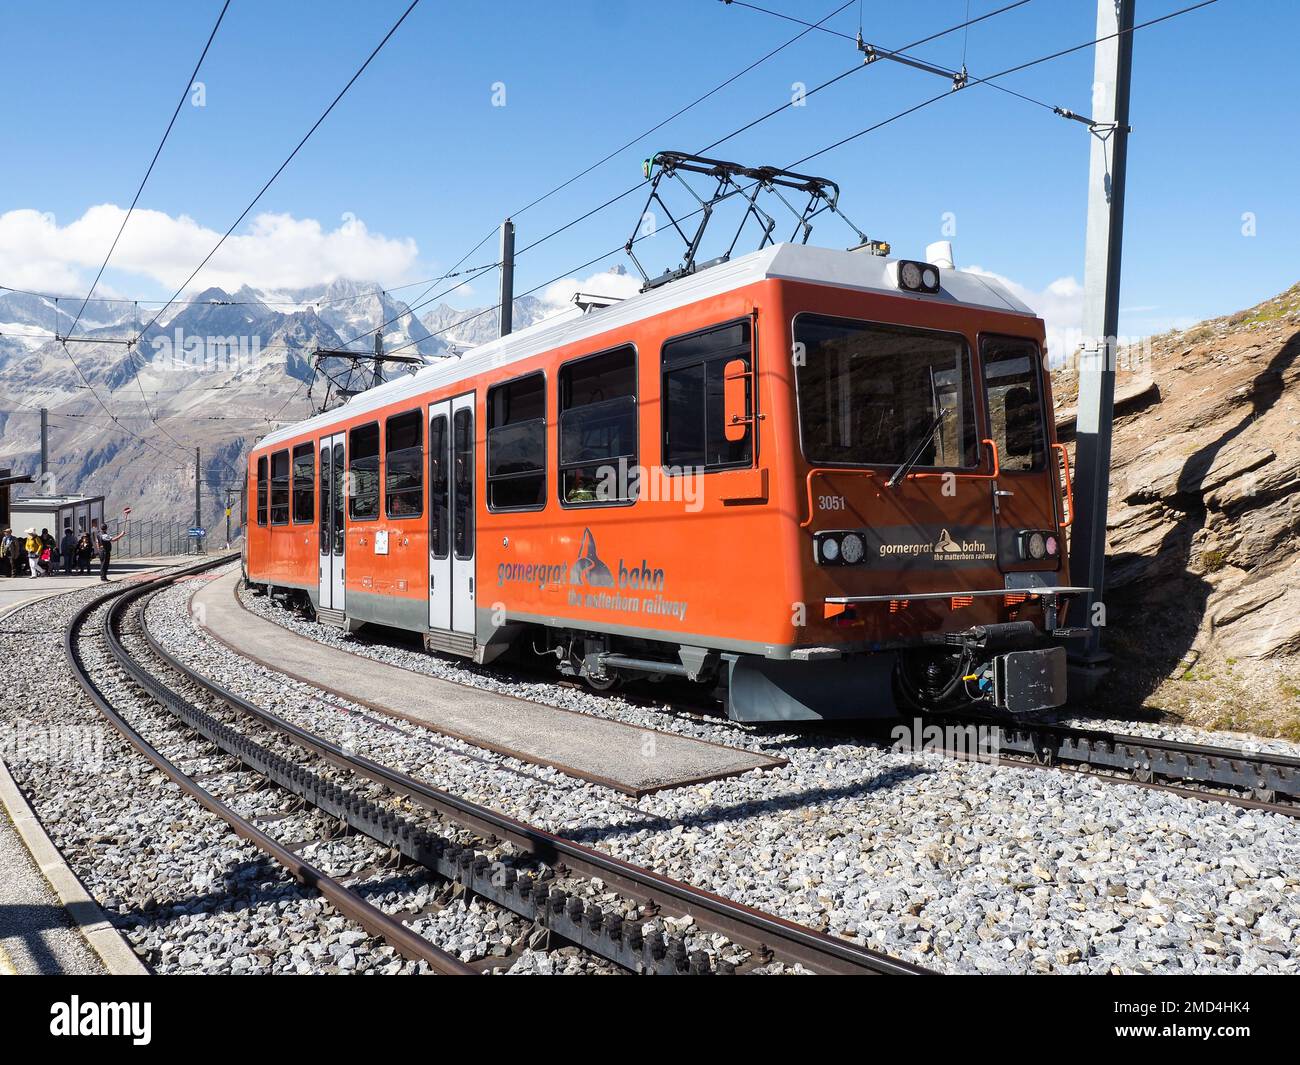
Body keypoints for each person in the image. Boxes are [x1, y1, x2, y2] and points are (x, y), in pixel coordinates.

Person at [90, 518, 126, 582]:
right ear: (106, 528)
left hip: (101, 550)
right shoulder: (104, 535)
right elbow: (113, 540)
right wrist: (121, 534)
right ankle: (103, 578)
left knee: (102, 564)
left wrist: (98, 550)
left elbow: (97, 542)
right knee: (105, 565)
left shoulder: (98, 534)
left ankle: (103, 577)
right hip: (105, 551)